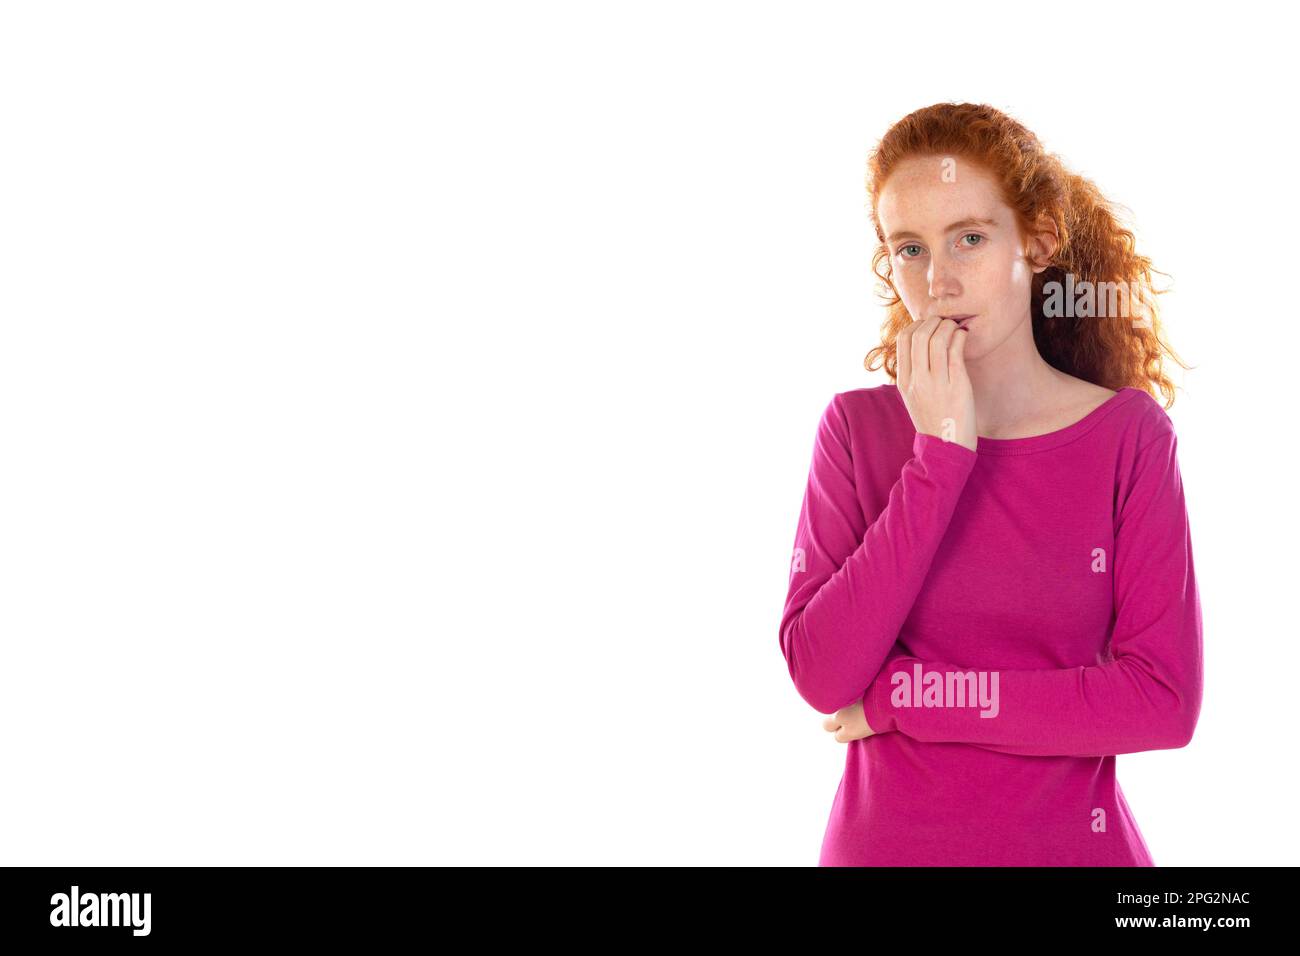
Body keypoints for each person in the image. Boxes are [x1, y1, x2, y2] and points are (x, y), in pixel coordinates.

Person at [778, 102, 1202, 866]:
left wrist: (907, 699)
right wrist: (939, 458)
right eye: (909, 248)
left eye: (970, 238)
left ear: (1036, 241)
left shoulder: (1127, 439)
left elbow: (1159, 704)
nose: (938, 280)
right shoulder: (856, 431)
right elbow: (821, 673)